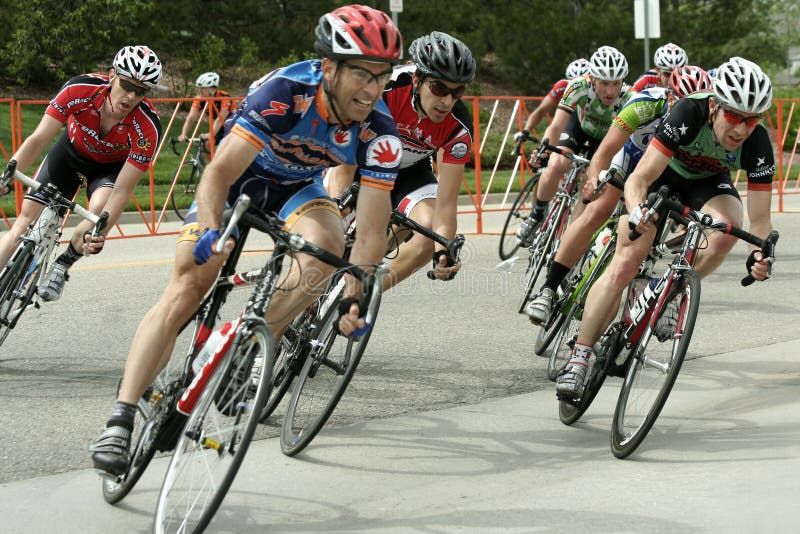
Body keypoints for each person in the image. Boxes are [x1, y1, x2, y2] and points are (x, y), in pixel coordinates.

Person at [88, 4, 404, 478]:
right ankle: (121, 415)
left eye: (383, 77)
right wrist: (211, 231)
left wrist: (354, 298)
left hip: (299, 187)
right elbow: (218, 174)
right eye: (363, 74)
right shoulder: (285, 93)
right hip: (240, 180)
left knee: (327, 246)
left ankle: (249, 350)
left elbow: (373, 231)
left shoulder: (380, 132)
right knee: (189, 285)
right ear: (330, 68)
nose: (373, 89)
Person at [555, 57, 775, 399]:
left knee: (730, 227)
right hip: (663, 177)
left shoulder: (757, 143)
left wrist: (758, 253)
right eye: (733, 116)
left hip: (707, 183)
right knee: (626, 262)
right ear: (715, 105)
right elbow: (641, 176)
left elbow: (759, 219)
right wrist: (636, 210)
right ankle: (579, 357)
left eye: (752, 119)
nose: (742, 129)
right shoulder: (688, 112)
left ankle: (666, 291)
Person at [526, 66, 712, 324]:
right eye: (683, 103)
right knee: (597, 210)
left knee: (641, 248)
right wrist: (594, 179)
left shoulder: (706, 123)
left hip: (662, 172)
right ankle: (548, 288)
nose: (691, 113)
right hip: (629, 157)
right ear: (670, 97)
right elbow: (606, 150)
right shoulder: (645, 104)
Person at [0, 45, 163, 301]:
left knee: (97, 212)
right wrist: (9, 175)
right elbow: (39, 138)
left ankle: (63, 264)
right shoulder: (79, 89)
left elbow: (122, 190)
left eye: (141, 91)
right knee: (23, 223)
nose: (131, 96)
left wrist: (100, 230)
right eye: (127, 85)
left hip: (107, 171)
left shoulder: (147, 128)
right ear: (111, 76)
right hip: (69, 154)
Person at [326, 31, 476, 288]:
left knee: (428, 232)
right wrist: (336, 207)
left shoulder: (457, 127)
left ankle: (364, 289)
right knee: (329, 227)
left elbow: (446, 205)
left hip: (409, 169)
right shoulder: (383, 88)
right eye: (439, 88)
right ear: (417, 79)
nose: (447, 101)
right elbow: (344, 160)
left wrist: (443, 252)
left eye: (457, 91)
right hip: (359, 159)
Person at [517, 46, 631, 246]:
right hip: (579, 129)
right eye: (604, 83)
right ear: (593, 78)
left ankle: (569, 239)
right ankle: (536, 215)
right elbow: (556, 126)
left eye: (617, 83)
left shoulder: (629, 97)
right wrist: (543, 150)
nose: (611, 91)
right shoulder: (578, 86)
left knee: (590, 184)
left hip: (605, 141)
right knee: (555, 164)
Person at [513, 58, 591, 147]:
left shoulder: (598, 90)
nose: (577, 87)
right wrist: (526, 131)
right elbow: (541, 111)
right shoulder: (562, 86)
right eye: (573, 82)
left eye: (583, 83)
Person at [176, 71, 235, 151]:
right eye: (198, 88)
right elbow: (190, 117)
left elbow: (219, 120)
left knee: (224, 149)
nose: (199, 90)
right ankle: (212, 163)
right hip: (218, 128)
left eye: (203, 88)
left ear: (212, 89)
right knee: (206, 144)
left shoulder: (224, 98)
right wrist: (183, 134)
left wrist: (210, 134)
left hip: (232, 127)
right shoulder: (199, 99)